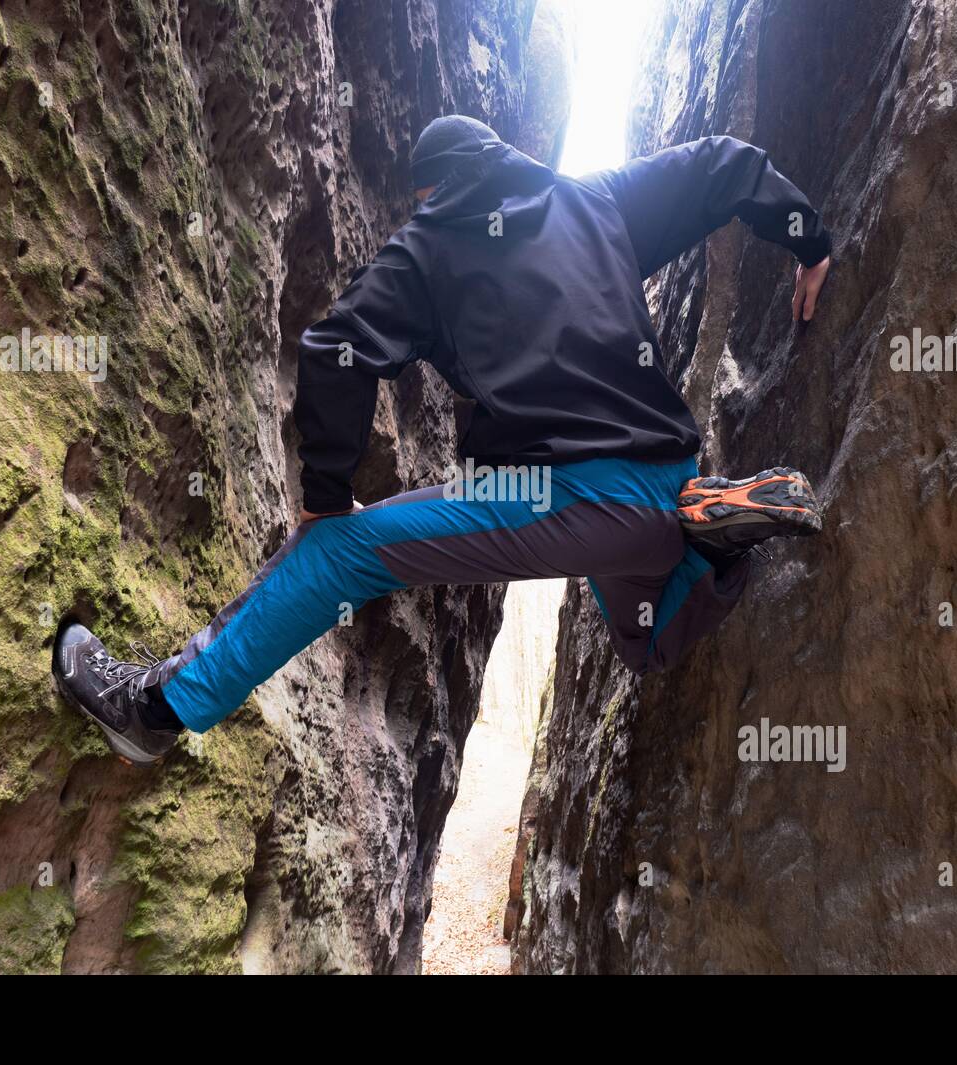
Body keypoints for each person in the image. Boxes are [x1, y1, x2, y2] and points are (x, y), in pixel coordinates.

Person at [53, 115, 831, 766]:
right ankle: (714, 544)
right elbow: (725, 164)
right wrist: (809, 240)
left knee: (339, 555)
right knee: (646, 647)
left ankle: (154, 712)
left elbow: (334, 349)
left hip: (567, 497)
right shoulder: (598, 204)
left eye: (422, 194)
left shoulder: (430, 243)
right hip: (666, 481)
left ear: (440, 183)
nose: (419, 206)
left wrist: (326, 498)